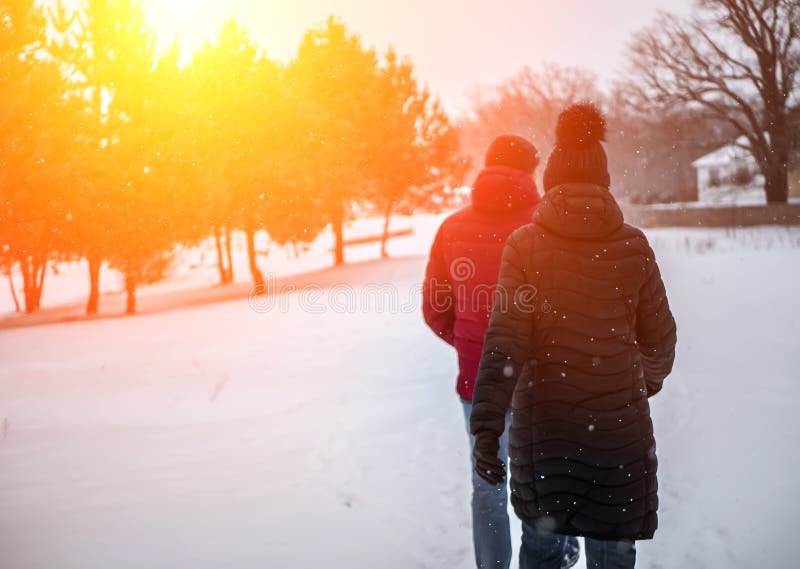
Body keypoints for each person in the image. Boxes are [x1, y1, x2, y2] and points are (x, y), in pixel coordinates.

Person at [470, 103, 677, 569]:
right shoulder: (633, 246)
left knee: (544, 551)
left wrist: (486, 427)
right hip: (618, 437)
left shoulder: (525, 246)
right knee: (611, 552)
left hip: (546, 434)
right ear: (604, 182)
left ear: (550, 182)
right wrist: (640, 384)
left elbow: (504, 342)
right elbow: (661, 341)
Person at [423, 135, 578, 569]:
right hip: (541, 387)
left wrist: (475, 345)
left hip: (478, 384)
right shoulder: (552, 225)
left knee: (486, 484)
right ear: (530, 172)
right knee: (541, 485)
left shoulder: (452, 228)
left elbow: (436, 308)